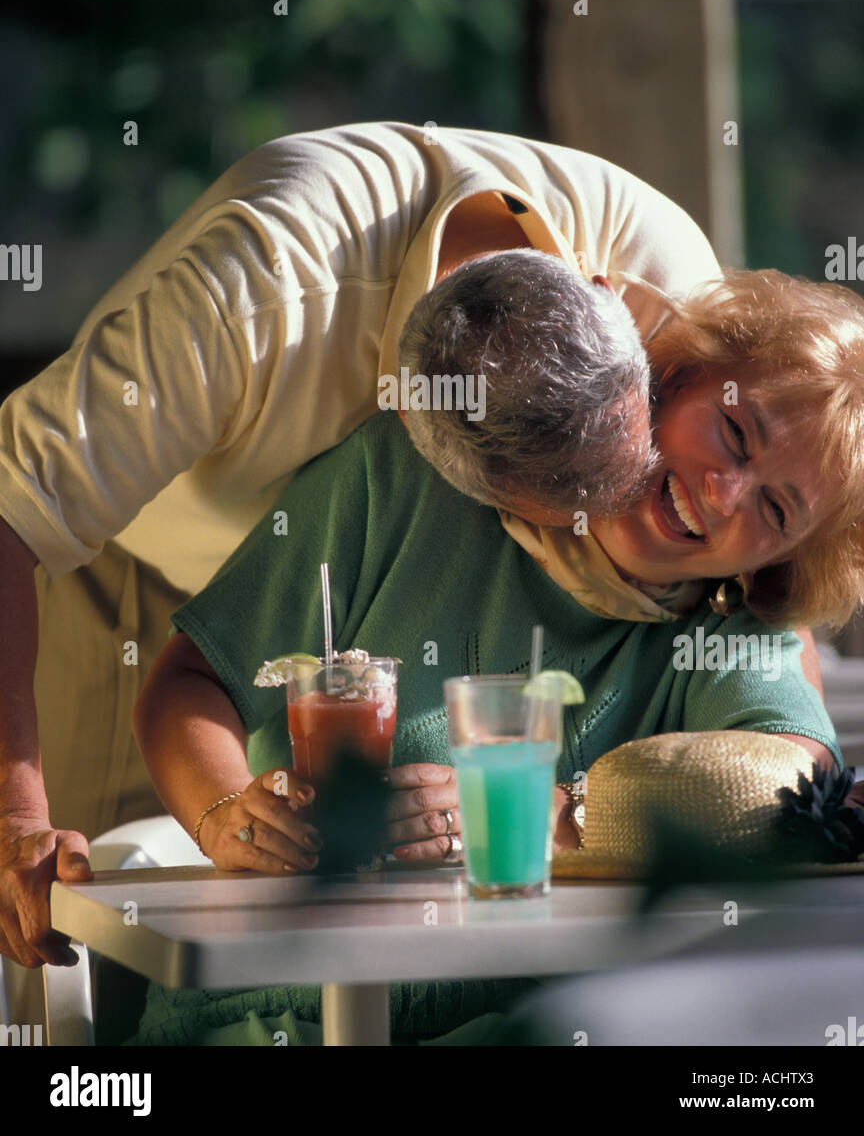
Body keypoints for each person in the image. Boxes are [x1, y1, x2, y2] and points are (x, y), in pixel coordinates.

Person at [0, 120, 721, 969]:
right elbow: (13, 508)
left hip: (356, 618)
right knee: (86, 930)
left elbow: (757, 561)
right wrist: (19, 819)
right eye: (538, 523)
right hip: (131, 568)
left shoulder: (674, 294)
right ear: (414, 428)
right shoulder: (257, 292)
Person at [125, 264, 862, 1046]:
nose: (724, 493)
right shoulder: (410, 475)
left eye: (776, 510)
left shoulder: (731, 619)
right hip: (266, 1011)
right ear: (674, 379)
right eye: (735, 432)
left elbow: (797, 786)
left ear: (781, 558)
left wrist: (555, 816)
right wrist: (222, 815)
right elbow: (191, 680)